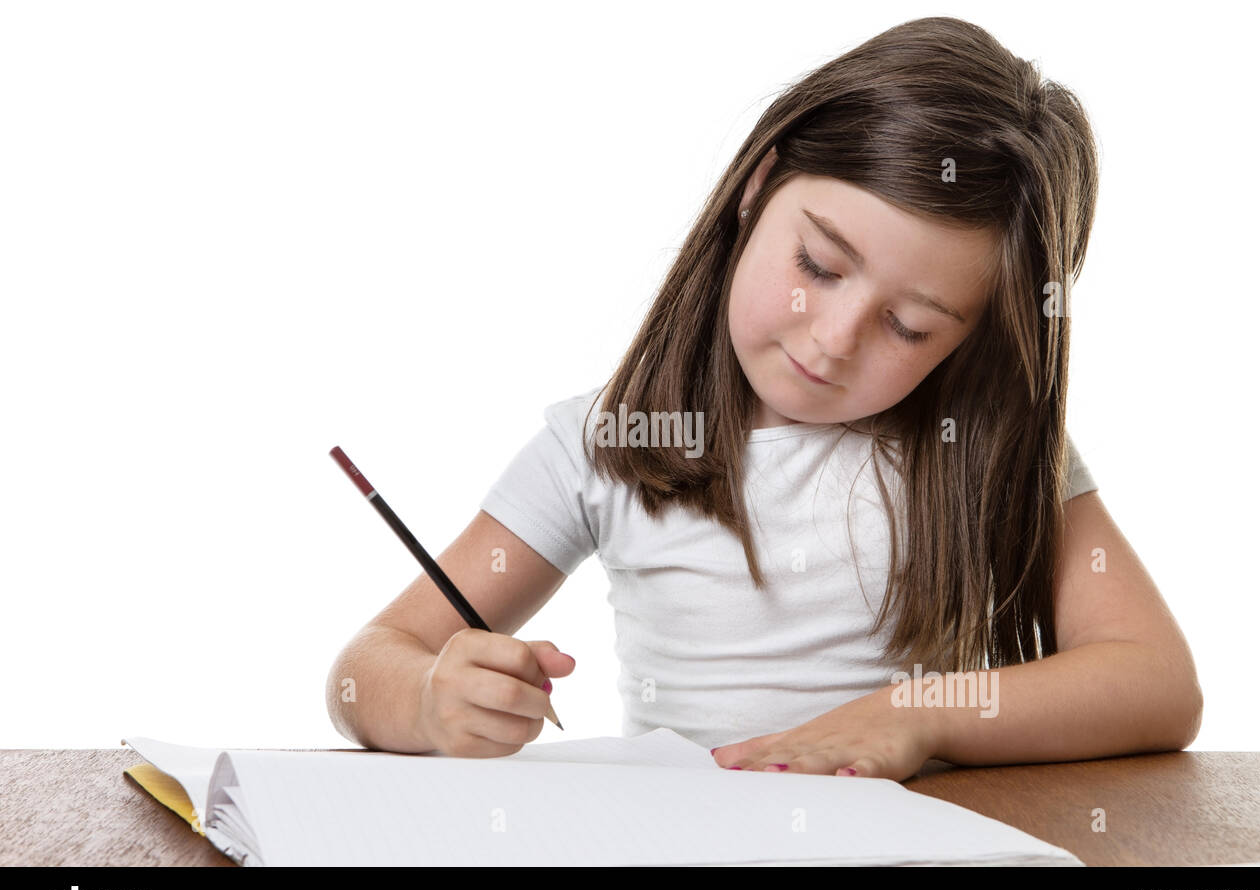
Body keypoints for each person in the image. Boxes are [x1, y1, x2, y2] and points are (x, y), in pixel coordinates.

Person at [326, 16, 1201, 780]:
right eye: (818, 267)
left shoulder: (981, 446)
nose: (832, 337)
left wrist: (916, 714)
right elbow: (366, 670)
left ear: (974, 338)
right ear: (758, 184)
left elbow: (1155, 681)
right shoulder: (606, 445)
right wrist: (434, 701)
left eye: (910, 326)